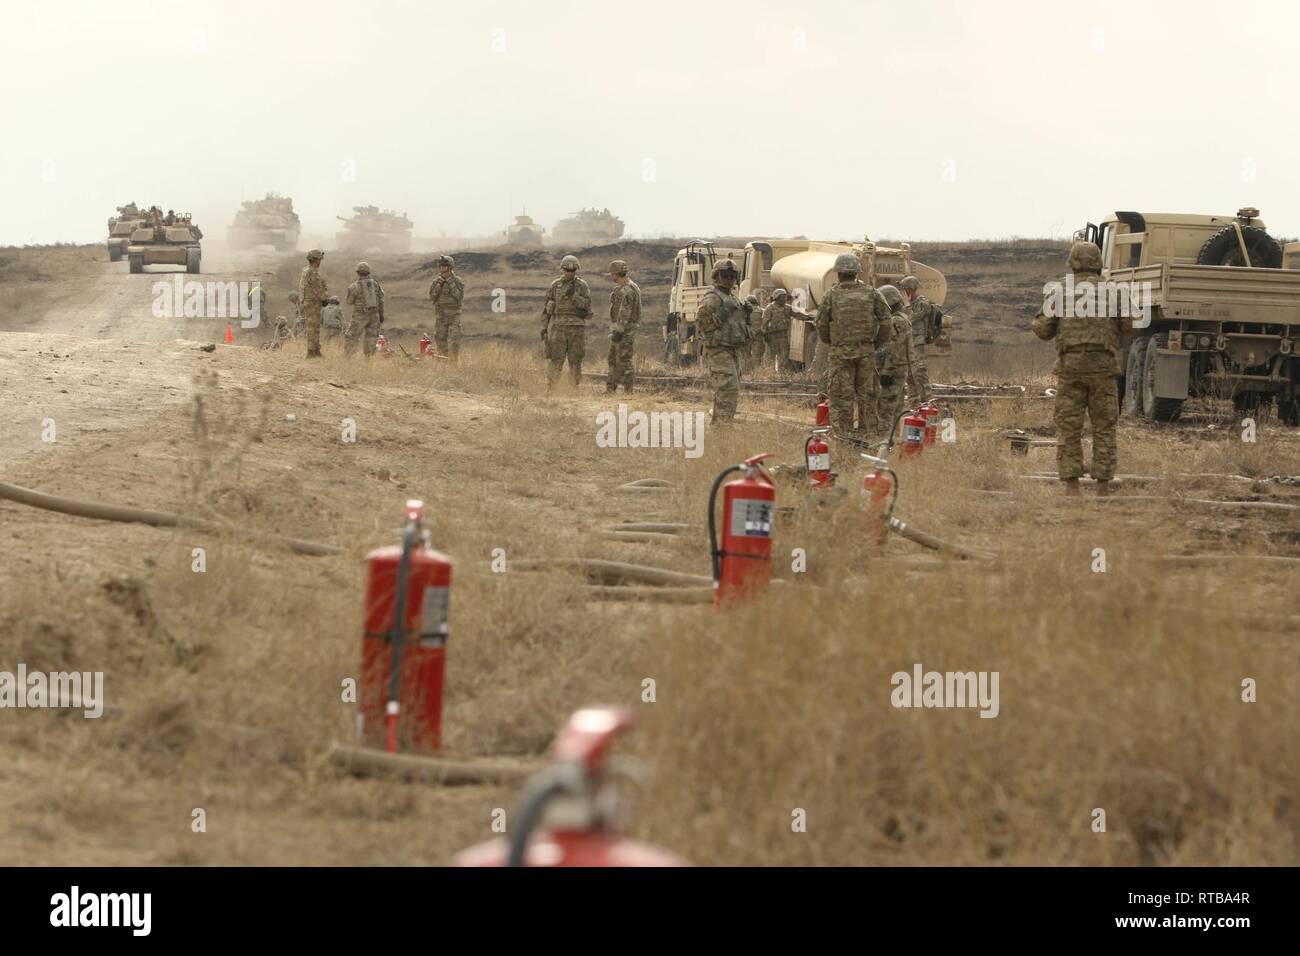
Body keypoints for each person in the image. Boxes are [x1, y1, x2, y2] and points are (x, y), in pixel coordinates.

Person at [1033, 241, 1122, 496]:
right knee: (1104, 427)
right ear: (1098, 262)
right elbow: (1131, 326)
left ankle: (1072, 487)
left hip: (1070, 368)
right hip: (1103, 368)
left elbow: (1043, 330)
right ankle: (1103, 487)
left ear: (1073, 262)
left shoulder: (1061, 291)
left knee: (1069, 427)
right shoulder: (1114, 291)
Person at [815, 253, 892, 440]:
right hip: (866, 353)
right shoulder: (872, 293)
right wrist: (875, 343)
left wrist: (831, 342)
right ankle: (867, 438)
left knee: (842, 399)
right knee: (867, 398)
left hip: (840, 354)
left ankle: (844, 440)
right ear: (857, 273)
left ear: (838, 273)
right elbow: (886, 322)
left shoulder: (831, 295)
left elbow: (821, 324)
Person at [695, 258, 750, 423]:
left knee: (730, 388)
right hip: (718, 349)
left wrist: (746, 313)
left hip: (731, 349)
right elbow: (702, 324)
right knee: (727, 387)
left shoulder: (732, 298)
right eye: (725, 276)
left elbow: (736, 325)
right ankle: (722, 425)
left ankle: (722, 423)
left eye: (732, 276)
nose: (729, 279)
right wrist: (722, 312)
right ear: (717, 276)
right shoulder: (712, 298)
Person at [541, 255, 592, 388]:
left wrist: (574, 296)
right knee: (556, 359)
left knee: (575, 361)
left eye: (573, 270)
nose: (570, 273)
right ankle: (552, 388)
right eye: (567, 270)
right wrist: (544, 327)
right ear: (563, 269)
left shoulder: (582, 286)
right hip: (559, 327)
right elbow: (547, 309)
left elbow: (587, 306)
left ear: (576, 270)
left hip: (577, 329)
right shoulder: (555, 285)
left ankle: (573, 389)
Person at [874, 284, 915, 438]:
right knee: (896, 411)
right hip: (901, 370)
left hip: (891, 373)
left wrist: (885, 371)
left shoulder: (894, 322)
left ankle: (883, 444)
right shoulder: (904, 318)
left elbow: (892, 348)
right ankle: (894, 440)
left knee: (884, 412)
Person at [606, 259, 641, 393]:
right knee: (613, 358)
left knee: (624, 358)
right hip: (622, 328)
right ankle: (611, 388)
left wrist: (619, 330)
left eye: (612, 273)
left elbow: (625, 312)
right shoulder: (629, 287)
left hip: (625, 329)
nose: (611, 276)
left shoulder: (627, 290)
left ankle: (628, 390)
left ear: (616, 273)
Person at [898, 275, 933, 401]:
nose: (902, 293)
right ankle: (914, 402)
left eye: (904, 290)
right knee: (909, 375)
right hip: (907, 342)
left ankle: (926, 401)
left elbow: (910, 320)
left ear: (911, 290)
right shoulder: (908, 304)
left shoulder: (922, 303)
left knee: (919, 372)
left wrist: (906, 305)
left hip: (917, 343)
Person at [428, 254, 465, 360]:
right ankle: (443, 362)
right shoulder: (436, 282)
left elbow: (459, 297)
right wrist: (439, 285)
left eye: (444, 266)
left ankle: (453, 363)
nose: (442, 268)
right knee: (440, 340)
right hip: (441, 315)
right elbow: (432, 297)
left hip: (454, 316)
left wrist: (450, 282)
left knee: (454, 341)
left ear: (450, 267)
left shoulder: (457, 281)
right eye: (441, 266)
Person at [345, 261, 385, 356]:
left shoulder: (354, 286)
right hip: (374, 315)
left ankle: (348, 359)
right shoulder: (376, 284)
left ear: (358, 272)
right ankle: (368, 360)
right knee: (371, 338)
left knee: (352, 337)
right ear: (368, 272)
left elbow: (349, 302)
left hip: (359, 316)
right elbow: (381, 300)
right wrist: (381, 314)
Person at [298, 249, 328, 358]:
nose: (320, 262)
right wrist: (324, 299)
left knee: (314, 327)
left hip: (309, 302)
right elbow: (317, 288)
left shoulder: (306, 270)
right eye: (319, 259)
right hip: (312, 303)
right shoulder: (312, 271)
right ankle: (311, 352)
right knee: (313, 328)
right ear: (315, 260)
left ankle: (315, 351)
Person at [762, 289, 795, 372]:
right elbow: (764, 322)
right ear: (777, 298)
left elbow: (798, 314)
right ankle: (768, 374)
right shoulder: (770, 308)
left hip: (783, 336)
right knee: (770, 357)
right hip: (772, 336)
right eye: (782, 297)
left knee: (784, 357)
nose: (784, 299)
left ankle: (782, 374)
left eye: (785, 297)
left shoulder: (788, 308)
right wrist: (765, 334)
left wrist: (809, 317)